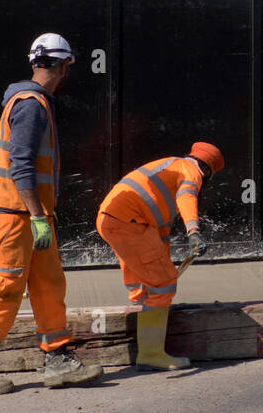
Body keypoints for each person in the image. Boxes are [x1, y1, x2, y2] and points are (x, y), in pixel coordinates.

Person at [0, 34, 103, 394]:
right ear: (64, 65)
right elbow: (20, 166)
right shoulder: (31, 106)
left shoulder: (33, 102)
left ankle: (57, 357)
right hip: (14, 218)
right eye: (69, 66)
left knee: (49, 284)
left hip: (32, 218)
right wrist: (38, 215)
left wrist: (40, 217)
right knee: (5, 287)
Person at [96, 144, 225, 369]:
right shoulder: (190, 170)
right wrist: (193, 231)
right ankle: (151, 354)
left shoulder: (169, 167)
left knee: (149, 284)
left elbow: (159, 236)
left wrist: (165, 265)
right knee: (163, 285)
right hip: (129, 222)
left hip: (112, 220)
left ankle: (143, 315)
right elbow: (187, 195)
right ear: (207, 170)